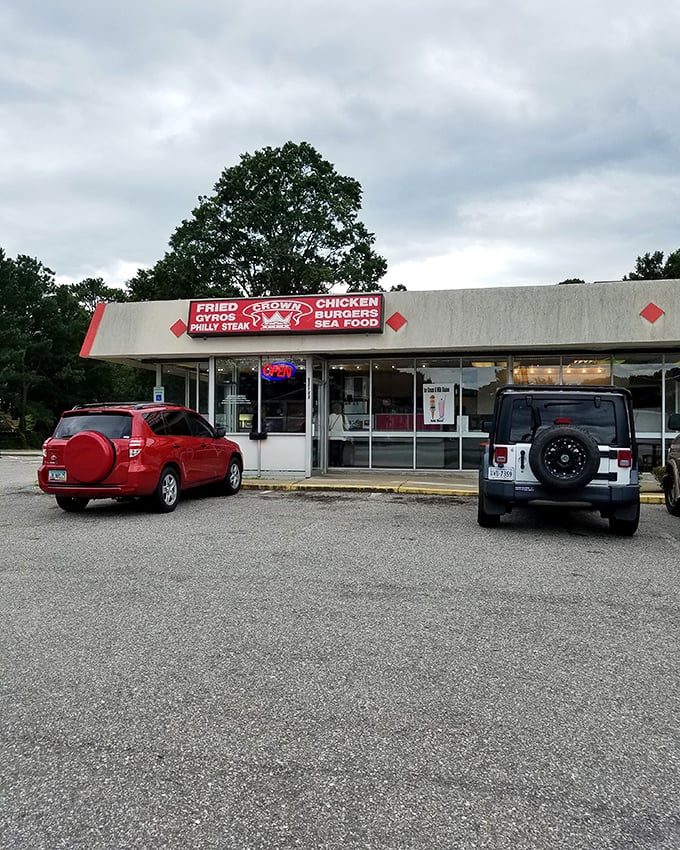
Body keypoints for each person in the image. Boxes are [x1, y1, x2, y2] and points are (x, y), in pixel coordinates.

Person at [328, 402, 348, 466]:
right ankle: (340, 463)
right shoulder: (343, 416)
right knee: (340, 452)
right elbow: (347, 426)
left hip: (332, 437)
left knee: (332, 452)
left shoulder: (330, 416)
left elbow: (328, 426)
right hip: (341, 437)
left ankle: (332, 462)